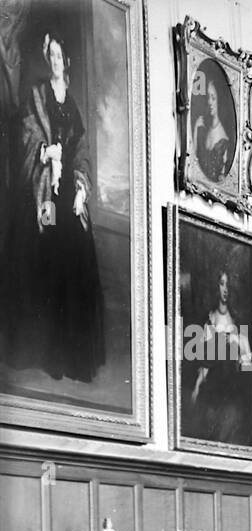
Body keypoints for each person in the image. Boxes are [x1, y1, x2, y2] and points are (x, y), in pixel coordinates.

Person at [6, 32, 104, 382]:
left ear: (68, 63)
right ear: (48, 60)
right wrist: (45, 152)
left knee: (75, 251)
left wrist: (80, 185)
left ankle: (70, 356)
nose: (56, 62)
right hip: (44, 189)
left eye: (61, 57)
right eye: (53, 57)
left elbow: (81, 149)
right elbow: (26, 133)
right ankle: (44, 352)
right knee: (44, 250)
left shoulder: (72, 103)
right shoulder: (37, 93)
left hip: (66, 192)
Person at [182, 266, 252, 446]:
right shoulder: (206, 320)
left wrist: (242, 347)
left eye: (229, 285)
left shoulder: (239, 322)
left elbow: (248, 367)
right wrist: (196, 388)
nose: (226, 290)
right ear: (215, 287)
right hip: (209, 394)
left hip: (232, 394)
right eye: (222, 284)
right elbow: (199, 364)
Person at [193, 66, 233, 182]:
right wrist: (196, 129)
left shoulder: (224, 138)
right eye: (208, 97)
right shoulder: (201, 126)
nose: (209, 102)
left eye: (213, 98)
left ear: (219, 100)